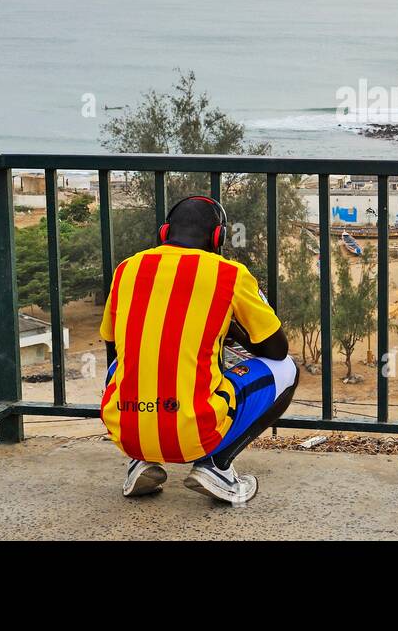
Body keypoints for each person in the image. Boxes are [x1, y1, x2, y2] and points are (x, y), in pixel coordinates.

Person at [99, 195, 299, 503]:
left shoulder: (127, 269)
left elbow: (113, 345)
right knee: (287, 369)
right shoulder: (230, 274)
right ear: (218, 237)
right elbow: (276, 349)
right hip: (195, 434)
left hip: (126, 431)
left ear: (165, 232)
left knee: (120, 365)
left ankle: (141, 459)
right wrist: (232, 328)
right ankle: (216, 466)